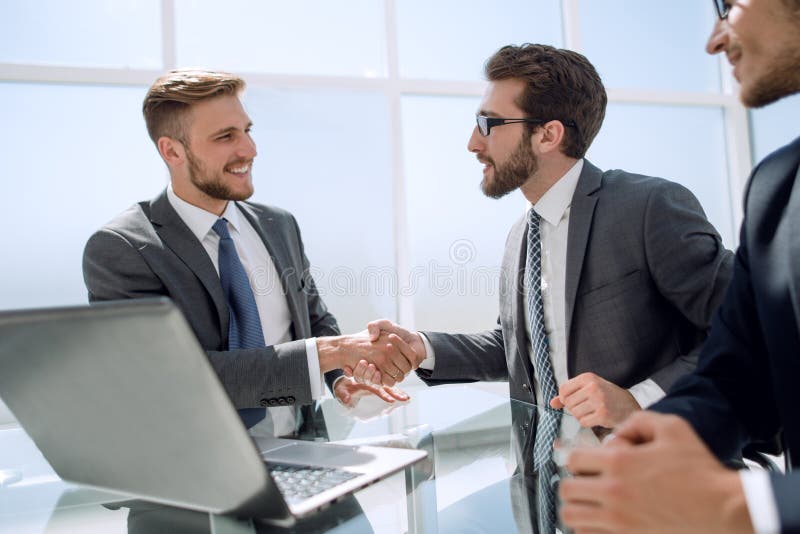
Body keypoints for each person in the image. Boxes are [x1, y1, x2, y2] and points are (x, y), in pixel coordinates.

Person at [359, 43, 732, 430]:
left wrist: (638, 400)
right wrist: (424, 348)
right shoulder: (520, 236)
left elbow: (742, 326)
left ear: (548, 135)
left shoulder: (647, 207)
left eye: (489, 123)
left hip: (653, 470)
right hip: (549, 478)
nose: (473, 142)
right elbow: (519, 349)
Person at [560, 1, 800, 532]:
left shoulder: (647, 206)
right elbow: (735, 375)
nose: (714, 41)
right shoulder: (775, 190)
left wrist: (750, 509)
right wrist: (653, 444)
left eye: (730, 5)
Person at [83, 69, 421, 436]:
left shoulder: (279, 225)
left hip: (307, 448)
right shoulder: (122, 249)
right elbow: (172, 377)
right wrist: (336, 350)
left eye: (247, 131)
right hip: (204, 472)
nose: (249, 149)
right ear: (172, 150)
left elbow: (313, 318)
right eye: (225, 136)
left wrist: (339, 379)